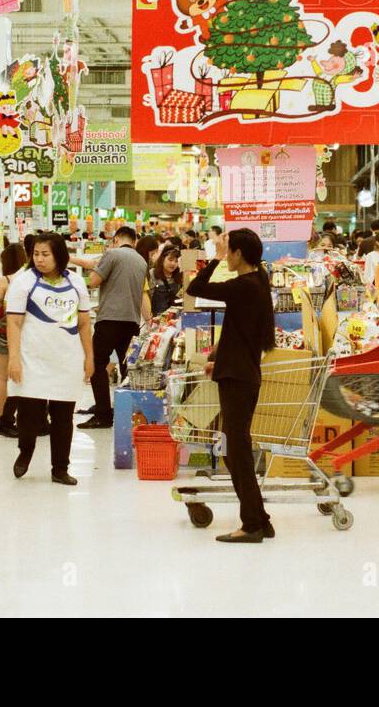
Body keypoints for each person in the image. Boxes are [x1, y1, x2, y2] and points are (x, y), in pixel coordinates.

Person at [185, 228, 277, 543]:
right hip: (240, 373)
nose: (227, 254)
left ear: (237, 253)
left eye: (229, 250)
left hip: (238, 378)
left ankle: (251, 524)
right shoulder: (258, 282)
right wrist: (218, 361)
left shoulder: (244, 286)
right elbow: (239, 334)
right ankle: (260, 519)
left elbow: (195, 287)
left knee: (236, 452)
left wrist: (216, 258)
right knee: (233, 451)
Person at [5, 233, 95, 486]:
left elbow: (85, 323)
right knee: (29, 415)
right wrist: (14, 359)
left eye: (46, 254)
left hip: (67, 359)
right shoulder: (23, 282)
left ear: (59, 255)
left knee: (64, 417)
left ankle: (60, 468)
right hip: (32, 359)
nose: (40, 260)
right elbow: (13, 321)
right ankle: (26, 451)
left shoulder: (76, 282)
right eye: (36, 254)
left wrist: (90, 357)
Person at [73, 226, 147, 429]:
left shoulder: (112, 254)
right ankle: (132, 415)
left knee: (96, 364)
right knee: (127, 368)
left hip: (110, 319)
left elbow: (95, 281)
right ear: (134, 241)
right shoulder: (141, 261)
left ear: (116, 239)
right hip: (132, 320)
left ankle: (103, 415)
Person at [0, 243, 28, 437]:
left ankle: (0, 418)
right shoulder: (29, 280)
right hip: (24, 335)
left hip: (3, 335)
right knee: (22, 378)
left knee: (2, 378)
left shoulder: (5, 281)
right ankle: (23, 417)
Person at [149, 246, 184, 316]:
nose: (173, 264)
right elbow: (148, 298)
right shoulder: (152, 274)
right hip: (157, 318)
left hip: (175, 318)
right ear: (162, 259)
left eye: (176, 261)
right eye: (170, 260)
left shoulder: (180, 276)